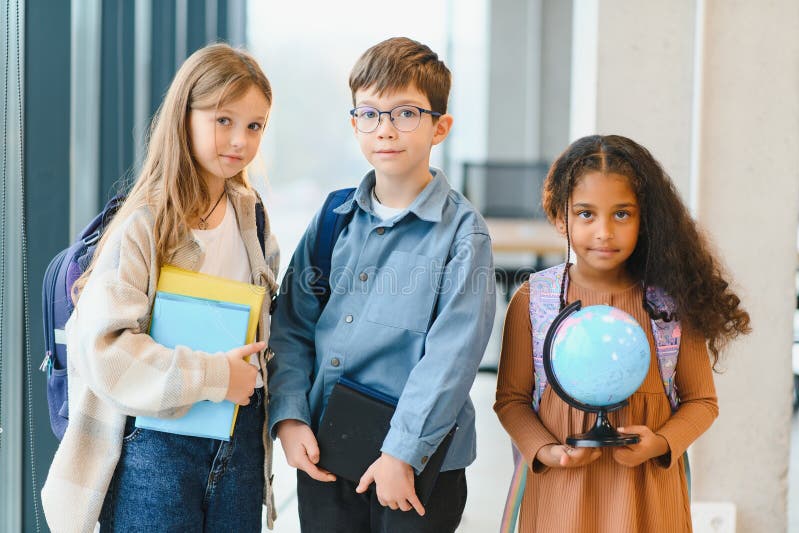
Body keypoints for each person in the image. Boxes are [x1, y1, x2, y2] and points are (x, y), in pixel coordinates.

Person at [41, 43, 280, 532]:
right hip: (154, 448)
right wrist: (216, 376)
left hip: (238, 440)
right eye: (223, 120)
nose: (239, 140)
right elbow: (107, 353)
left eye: (254, 126)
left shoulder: (251, 215)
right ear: (184, 116)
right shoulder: (144, 223)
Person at [268, 37, 495, 533]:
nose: (386, 130)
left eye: (406, 113)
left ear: (440, 127)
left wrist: (402, 453)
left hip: (416, 466)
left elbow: (451, 358)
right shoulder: (332, 217)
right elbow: (291, 326)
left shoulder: (463, 233)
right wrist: (288, 416)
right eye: (370, 114)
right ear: (355, 124)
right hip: (326, 450)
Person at [494, 134, 751, 532]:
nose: (603, 232)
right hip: (562, 494)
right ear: (560, 214)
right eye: (585, 214)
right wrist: (545, 450)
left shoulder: (671, 303)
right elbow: (511, 400)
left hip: (647, 494)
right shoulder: (534, 300)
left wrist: (661, 443)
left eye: (621, 214)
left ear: (645, 218)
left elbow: (701, 400)